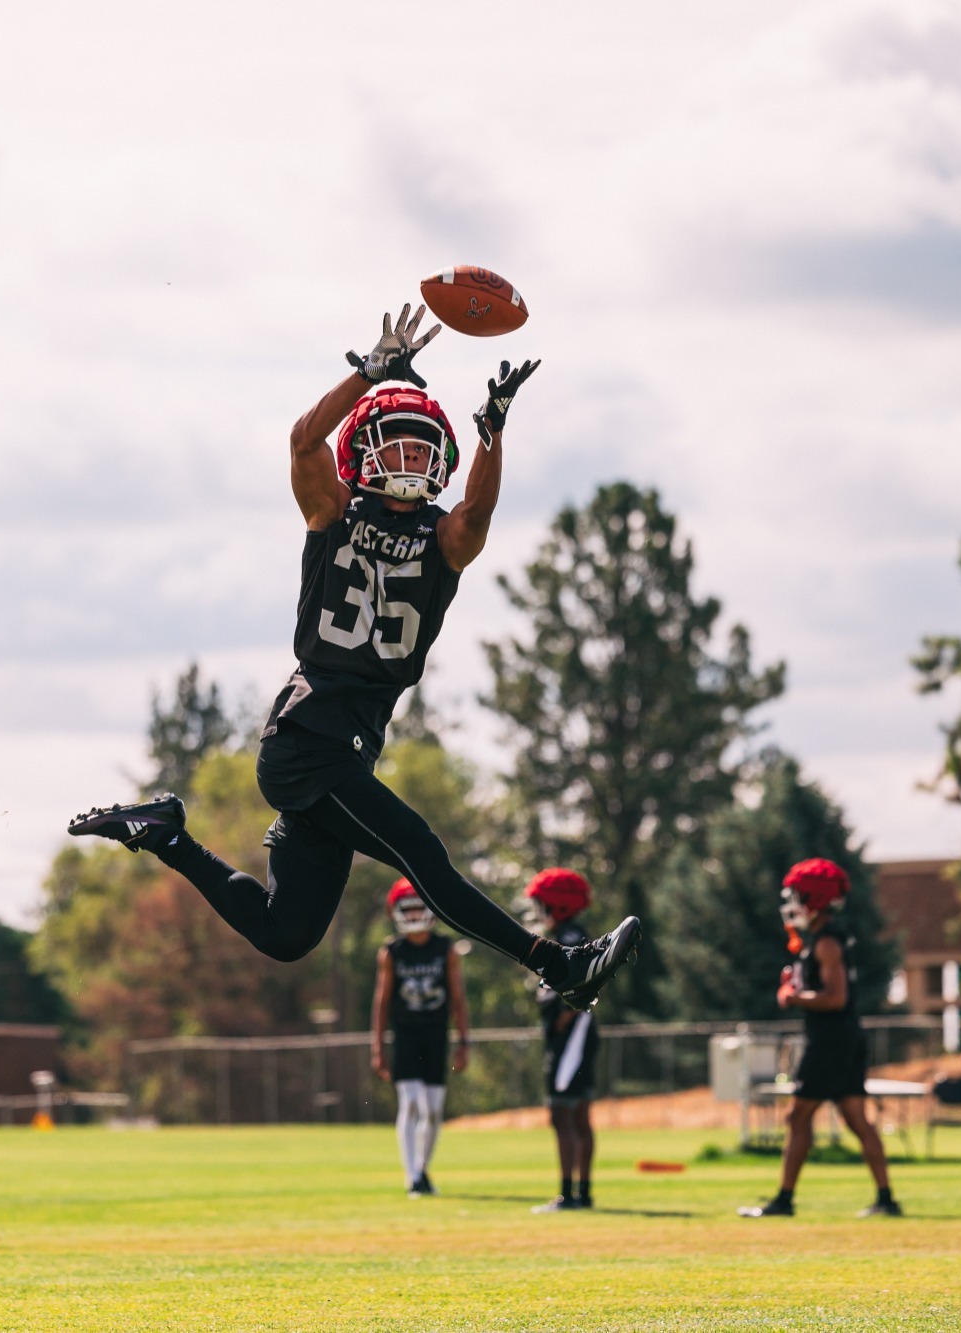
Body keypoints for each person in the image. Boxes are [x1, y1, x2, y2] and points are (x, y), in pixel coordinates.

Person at [69, 306, 640, 1012]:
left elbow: (478, 515)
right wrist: (364, 374)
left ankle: (166, 834)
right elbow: (304, 439)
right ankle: (557, 962)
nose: (409, 459)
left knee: (287, 932)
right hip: (309, 744)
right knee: (422, 855)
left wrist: (491, 433)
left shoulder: (446, 539)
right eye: (394, 445)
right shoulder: (333, 511)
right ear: (361, 451)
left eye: (421, 446)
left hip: (344, 753)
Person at [739, 859, 899, 1220]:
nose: (793, 904)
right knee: (857, 1119)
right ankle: (886, 1198)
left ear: (813, 897)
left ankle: (784, 1199)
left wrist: (792, 997)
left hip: (831, 1039)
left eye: (797, 896)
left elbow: (835, 997)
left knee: (798, 1116)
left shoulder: (826, 943)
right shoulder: (827, 938)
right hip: (845, 1037)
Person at [369, 879, 469, 1196]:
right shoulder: (392, 952)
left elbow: (458, 998)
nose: (413, 917)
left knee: (434, 1111)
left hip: (436, 1035)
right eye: (406, 910)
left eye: (418, 909)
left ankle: (422, 1169)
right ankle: (412, 1175)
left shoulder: (445, 949)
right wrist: (378, 1046)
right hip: (406, 1036)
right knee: (410, 1104)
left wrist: (464, 1042)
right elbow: (382, 1001)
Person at [525, 868, 601, 1213]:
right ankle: (581, 1192)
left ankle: (570, 1194)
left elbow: (583, 986)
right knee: (579, 1116)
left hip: (571, 1036)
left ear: (558, 905)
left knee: (564, 1115)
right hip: (579, 1035)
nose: (537, 909)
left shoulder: (569, 938)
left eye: (542, 903)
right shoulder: (575, 934)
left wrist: (563, 1021)